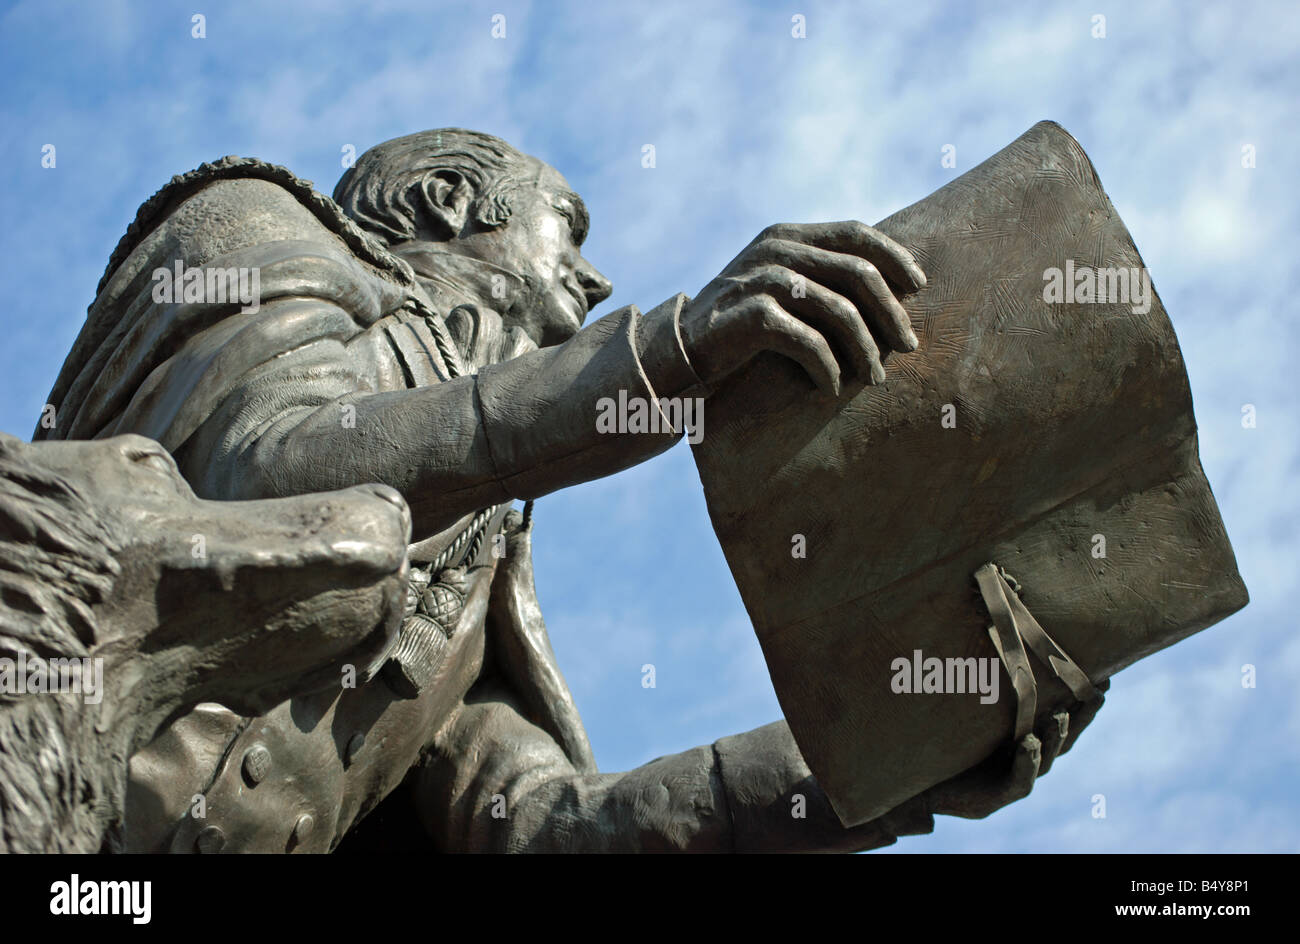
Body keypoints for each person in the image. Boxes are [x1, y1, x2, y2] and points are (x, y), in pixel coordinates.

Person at [40, 129, 1101, 851]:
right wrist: (669, 350)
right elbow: (265, 469)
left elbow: (545, 828)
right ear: (450, 199)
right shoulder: (256, 225)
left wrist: (873, 764)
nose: (594, 283)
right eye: (569, 226)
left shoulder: (475, 552)